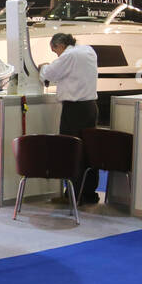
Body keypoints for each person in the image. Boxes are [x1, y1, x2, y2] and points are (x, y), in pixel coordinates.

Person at [40, 32, 99, 204]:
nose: (56, 55)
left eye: (54, 51)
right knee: (88, 151)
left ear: (59, 45)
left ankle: (72, 195)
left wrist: (43, 66)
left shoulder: (68, 55)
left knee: (71, 150)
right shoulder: (88, 51)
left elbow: (49, 73)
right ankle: (88, 193)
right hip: (90, 107)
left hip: (74, 110)